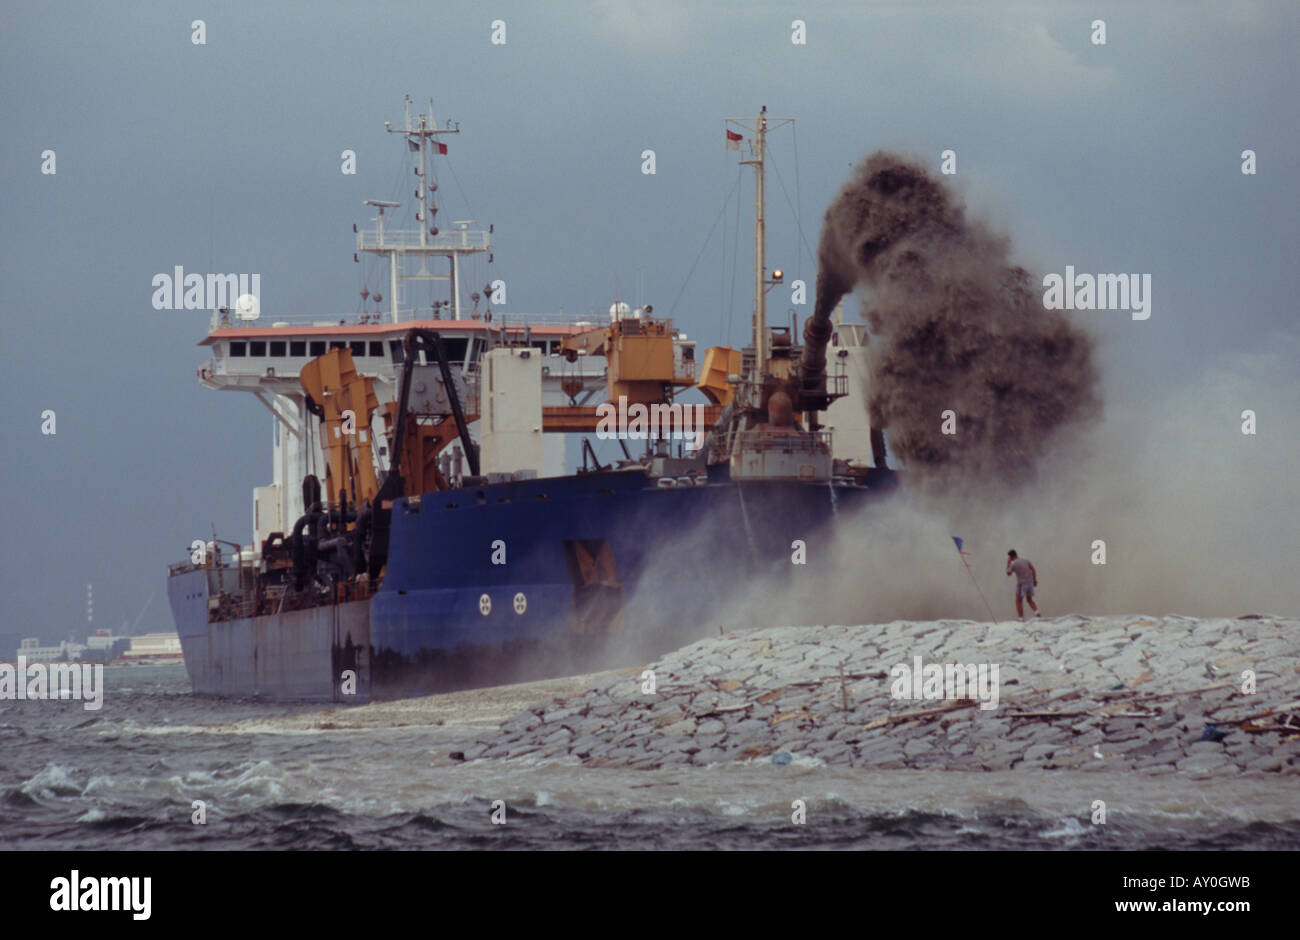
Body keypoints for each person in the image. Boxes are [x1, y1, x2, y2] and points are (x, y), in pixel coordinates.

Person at [1006, 550, 1041, 620]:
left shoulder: (1013, 564)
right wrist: (1034, 580)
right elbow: (1033, 569)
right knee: (1029, 600)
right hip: (1030, 582)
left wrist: (1008, 563)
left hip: (1021, 584)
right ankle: (1037, 612)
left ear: (1010, 557)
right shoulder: (1026, 560)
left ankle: (1021, 618)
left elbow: (1008, 573)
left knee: (1018, 601)